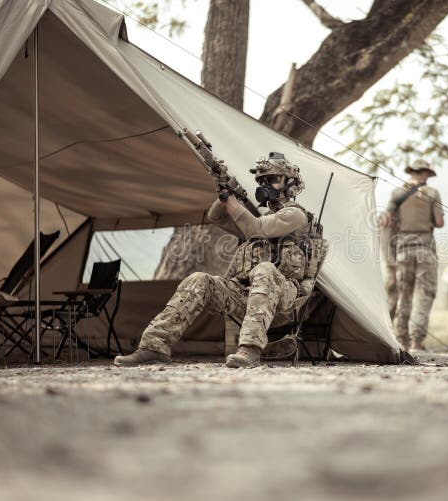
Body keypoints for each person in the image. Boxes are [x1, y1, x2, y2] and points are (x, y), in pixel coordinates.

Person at [115, 153, 324, 368]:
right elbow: (216, 217)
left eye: (272, 179)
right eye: (261, 181)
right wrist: (226, 192)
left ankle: (250, 350)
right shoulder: (260, 218)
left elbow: (256, 228)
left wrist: (232, 200)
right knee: (199, 280)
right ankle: (154, 346)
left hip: (284, 300)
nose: (265, 185)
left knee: (265, 269)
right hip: (246, 295)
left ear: (290, 184)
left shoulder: (295, 215)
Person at [380, 159, 444, 353]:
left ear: (411, 172)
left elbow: (386, 221)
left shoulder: (397, 194)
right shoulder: (432, 193)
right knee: (424, 294)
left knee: (404, 294)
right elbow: (439, 222)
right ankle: (417, 341)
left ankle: (402, 342)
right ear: (425, 173)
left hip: (403, 251)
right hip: (425, 250)